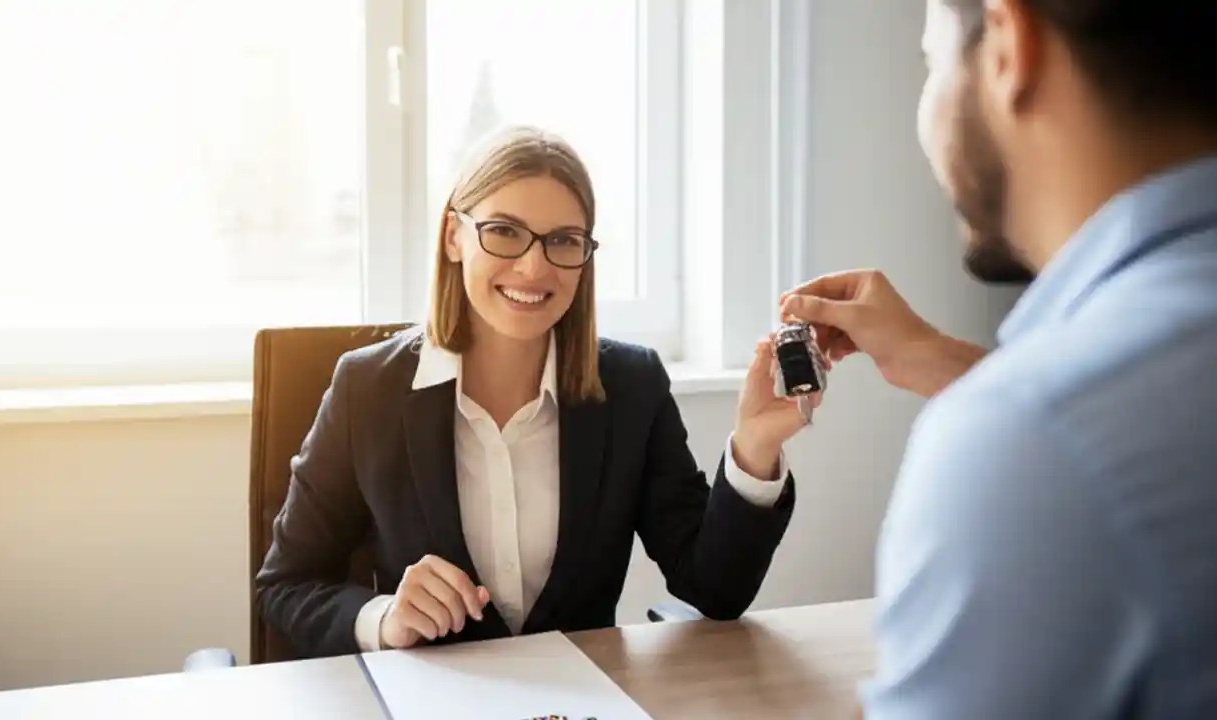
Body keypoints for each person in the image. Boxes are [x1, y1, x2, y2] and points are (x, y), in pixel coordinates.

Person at [781, 1, 1217, 717]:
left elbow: (1074, 451)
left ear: (1009, 46)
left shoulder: (1027, 439)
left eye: (931, 61)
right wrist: (941, 362)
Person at [256, 126, 818, 656]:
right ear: (454, 236)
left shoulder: (630, 388)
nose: (533, 266)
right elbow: (286, 585)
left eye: (563, 241)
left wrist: (754, 446)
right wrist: (384, 618)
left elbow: (713, 589)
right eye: (503, 231)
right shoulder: (367, 389)